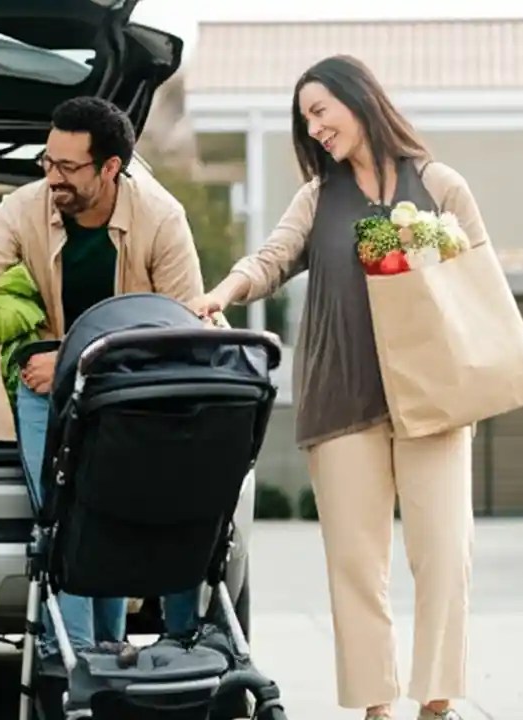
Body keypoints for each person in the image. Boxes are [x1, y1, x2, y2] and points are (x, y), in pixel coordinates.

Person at [189, 55, 481, 720]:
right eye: (306, 121)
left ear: (360, 99)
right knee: (355, 564)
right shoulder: (318, 197)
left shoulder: (440, 183)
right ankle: (377, 706)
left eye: (321, 111)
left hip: (433, 397)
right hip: (342, 397)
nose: (315, 128)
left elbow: (480, 274)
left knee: (444, 555)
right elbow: (272, 258)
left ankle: (437, 703)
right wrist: (223, 292)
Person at [0, 96, 209, 660]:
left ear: (110, 168)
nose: (51, 175)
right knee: (67, 518)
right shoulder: (24, 208)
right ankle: (77, 656)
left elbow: (181, 332)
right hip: (52, 387)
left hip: (135, 381)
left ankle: (119, 648)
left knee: (123, 513)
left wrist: (73, 359)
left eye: (67, 166)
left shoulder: (161, 218)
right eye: (47, 160)